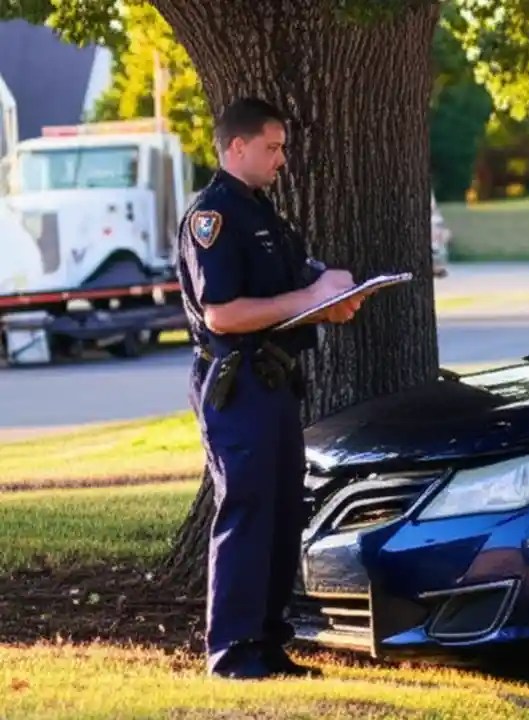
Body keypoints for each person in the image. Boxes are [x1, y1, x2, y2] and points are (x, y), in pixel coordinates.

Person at [177, 97, 363, 680]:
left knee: (283, 513)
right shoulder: (214, 218)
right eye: (273, 147)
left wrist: (329, 289)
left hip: (275, 381)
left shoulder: (264, 213)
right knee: (249, 511)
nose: (282, 159)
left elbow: (293, 279)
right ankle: (231, 651)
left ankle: (267, 641)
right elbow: (223, 316)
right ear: (237, 147)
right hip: (236, 387)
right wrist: (309, 301)